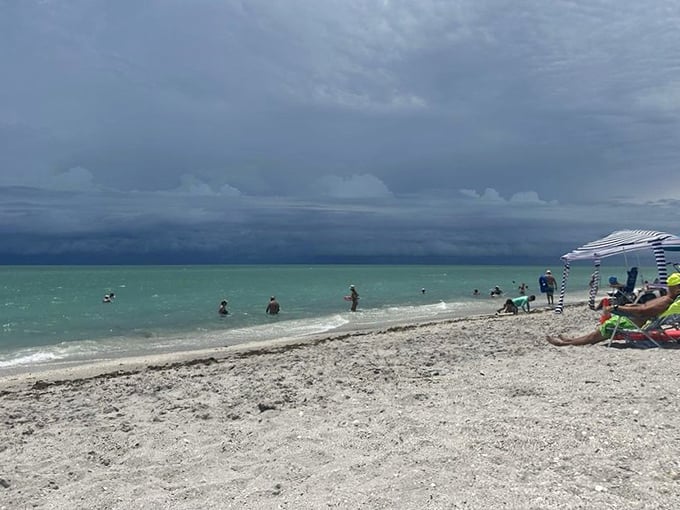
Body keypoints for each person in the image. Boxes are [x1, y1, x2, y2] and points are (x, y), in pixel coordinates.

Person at [546, 272, 680, 346]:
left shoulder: (666, 301)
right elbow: (644, 307)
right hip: (637, 318)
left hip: (635, 322)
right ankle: (569, 340)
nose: (667, 287)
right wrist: (630, 306)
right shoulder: (669, 300)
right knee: (598, 330)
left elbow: (643, 312)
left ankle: (565, 343)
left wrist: (617, 307)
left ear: (676, 288)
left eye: (670, 286)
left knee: (597, 334)